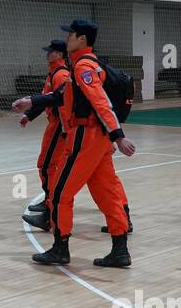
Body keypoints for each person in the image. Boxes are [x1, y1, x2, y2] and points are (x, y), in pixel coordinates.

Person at [14, 19, 134, 266]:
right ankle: (120, 250)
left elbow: (100, 102)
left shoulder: (83, 67)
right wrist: (32, 102)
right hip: (96, 139)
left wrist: (118, 135)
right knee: (107, 194)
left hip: (86, 136)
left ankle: (60, 247)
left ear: (82, 39)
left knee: (59, 193)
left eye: (70, 35)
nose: (67, 39)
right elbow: (61, 96)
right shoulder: (82, 65)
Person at [20, 39, 71, 218]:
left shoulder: (60, 75)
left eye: (50, 51)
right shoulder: (53, 74)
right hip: (54, 124)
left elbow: (63, 104)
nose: (47, 54)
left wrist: (65, 129)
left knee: (47, 166)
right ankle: (49, 200)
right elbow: (45, 99)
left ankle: (50, 207)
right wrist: (29, 115)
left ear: (59, 54)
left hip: (59, 125)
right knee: (47, 165)